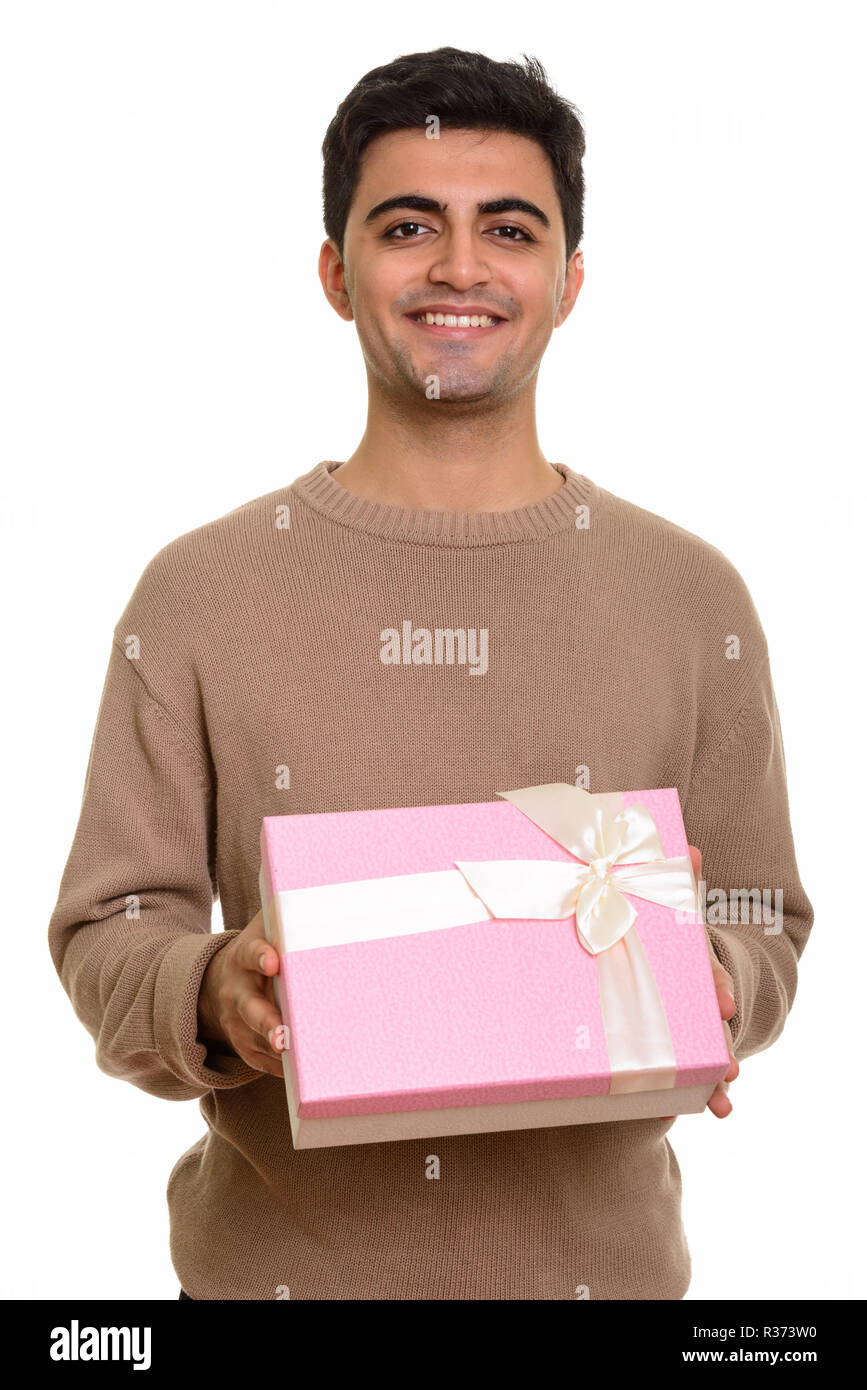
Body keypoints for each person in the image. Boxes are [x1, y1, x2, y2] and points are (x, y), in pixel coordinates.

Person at [48, 46, 813, 1301]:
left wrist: (713, 983)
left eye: (507, 229)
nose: (460, 268)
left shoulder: (694, 597)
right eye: (410, 226)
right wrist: (209, 987)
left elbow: (761, 914)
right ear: (336, 276)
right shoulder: (197, 593)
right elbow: (108, 930)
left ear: (568, 282)